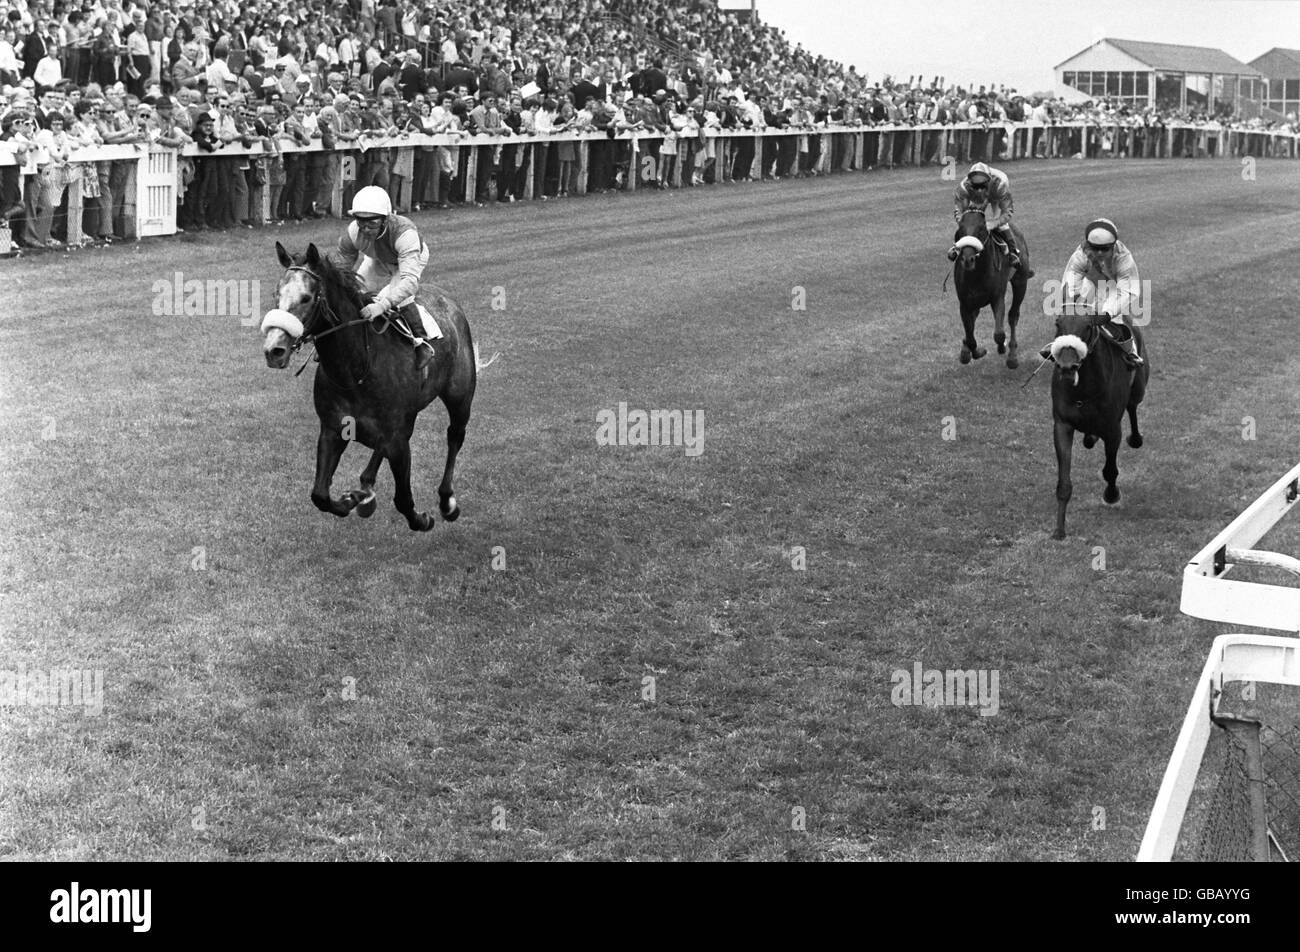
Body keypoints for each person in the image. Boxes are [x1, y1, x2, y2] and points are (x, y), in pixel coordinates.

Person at [333, 185, 437, 370]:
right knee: (354, 291)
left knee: (400, 297)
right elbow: (340, 269)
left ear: (386, 219)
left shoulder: (405, 234)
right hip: (378, 258)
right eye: (360, 222)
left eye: (371, 223)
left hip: (408, 261)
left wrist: (381, 305)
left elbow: (409, 282)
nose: (365, 229)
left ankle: (422, 343)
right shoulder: (353, 232)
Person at [1045, 217, 1144, 366]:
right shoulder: (1080, 255)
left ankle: (1130, 351)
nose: (1099, 253)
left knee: (1115, 318)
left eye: (1104, 249)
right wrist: (1078, 305)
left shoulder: (1124, 259)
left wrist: (1106, 314)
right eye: (1094, 248)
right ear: (1088, 244)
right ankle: (1058, 345)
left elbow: (1126, 290)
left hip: (1114, 288)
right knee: (1072, 317)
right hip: (1089, 282)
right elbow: (1071, 283)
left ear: (1113, 246)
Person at [952, 161, 1029, 275]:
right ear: (970, 183)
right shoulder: (964, 188)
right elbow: (959, 212)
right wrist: (964, 223)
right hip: (975, 197)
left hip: (995, 194)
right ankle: (956, 250)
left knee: (999, 222)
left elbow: (1007, 211)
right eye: (976, 187)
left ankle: (1013, 252)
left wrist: (994, 223)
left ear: (989, 182)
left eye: (982, 186)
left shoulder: (1000, 184)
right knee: (970, 222)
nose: (979, 190)